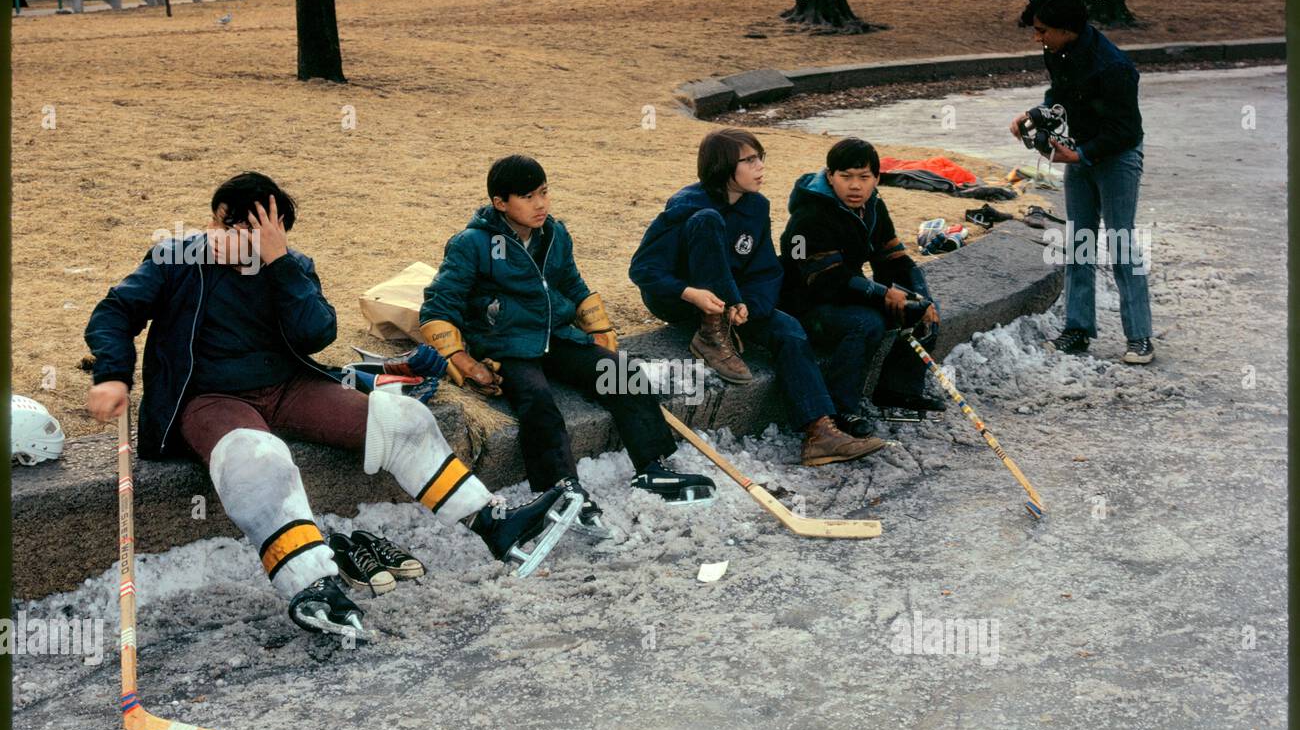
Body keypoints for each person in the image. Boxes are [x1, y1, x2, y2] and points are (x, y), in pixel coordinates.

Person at [84, 172, 577, 638]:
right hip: (208, 398)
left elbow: (317, 333)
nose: (242, 242)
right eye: (234, 227)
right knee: (259, 459)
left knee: (404, 417)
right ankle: (310, 584)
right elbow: (116, 311)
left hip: (287, 387)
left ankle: (490, 520)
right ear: (216, 219)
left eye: (261, 233)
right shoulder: (177, 258)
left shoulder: (291, 267)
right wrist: (112, 375)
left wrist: (278, 265)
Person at [419, 155, 716, 533]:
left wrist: (600, 331)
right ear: (500, 203)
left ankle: (652, 468)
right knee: (538, 401)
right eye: (527, 197)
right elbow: (439, 304)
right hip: (506, 343)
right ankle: (561, 489)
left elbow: (572, 286)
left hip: (557, 334)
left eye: (544, 193)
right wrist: (463, 361)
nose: (540, 204)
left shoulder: (555, 235)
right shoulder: (472, 244)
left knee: (623, 374)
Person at [630, 128, 886, 466]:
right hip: (681, 298)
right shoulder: (687, 205)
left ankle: (819, 433)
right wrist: (691, 294)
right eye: (749, 160)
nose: (760, 167)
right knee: (707, 222)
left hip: (729, 299)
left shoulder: (756, 206)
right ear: (723, 168)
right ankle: (711, 334)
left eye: (759, 158)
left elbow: (766, 269)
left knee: (790, 330)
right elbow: (643, 269)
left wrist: (750, 305)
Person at [1011, 0, 1152, 364]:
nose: (1036, 37)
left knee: (1121, 243)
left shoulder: (1115, 67)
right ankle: (1078, 329)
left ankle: (1140, 337)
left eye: (1042, 30)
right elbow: (1059, 94)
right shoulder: (1055, 51)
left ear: (1066, 29)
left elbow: (1125, 130)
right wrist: (1033, 116)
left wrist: (1082, 153)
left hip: (1117, 158)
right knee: (1079, 242)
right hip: (1079, 154)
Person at [779, 137, 944, 427]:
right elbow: (827, 279)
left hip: (845, 294)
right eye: (846, 177)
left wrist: (921, 297)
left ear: (877, 178)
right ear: (830, 177)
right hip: (805, 304)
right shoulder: (808, 217)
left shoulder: (873, 209)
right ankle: (839, 408)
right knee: (865, 323)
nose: (855, 186)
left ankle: (897, 390)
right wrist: (883, 294)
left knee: (924, 310)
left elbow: (893, 259)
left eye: (864, 177)